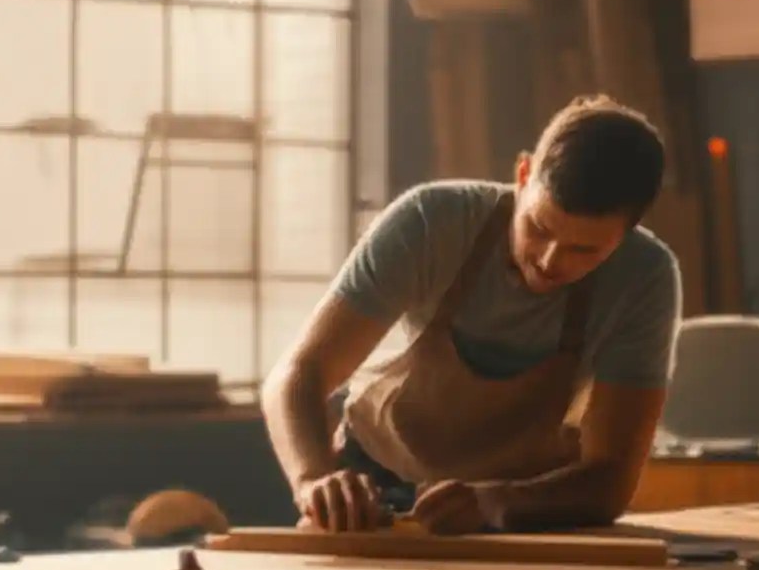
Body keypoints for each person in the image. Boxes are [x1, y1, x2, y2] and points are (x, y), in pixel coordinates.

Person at [261, 94, 682, 535]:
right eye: (538, 227)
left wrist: (500, 502)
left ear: (628, 232)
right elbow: (297, 372)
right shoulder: (431, 223)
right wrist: (313, 477)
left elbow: (610, 477)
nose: (549, 260)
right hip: (374, 487)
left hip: (524, 509)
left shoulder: (644, 279)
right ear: (522, 176)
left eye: (585, 250)